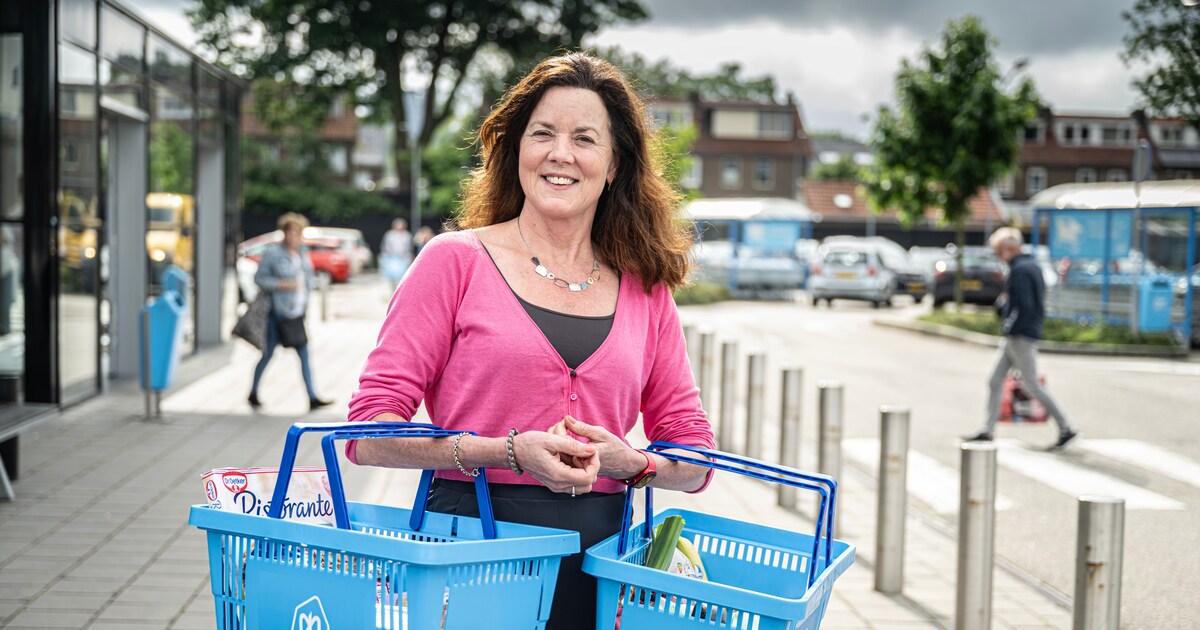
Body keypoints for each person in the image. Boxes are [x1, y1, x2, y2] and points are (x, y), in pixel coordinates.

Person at [346, 52, 714, 628]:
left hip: (604, 569)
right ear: (516, 149)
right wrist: (504, 452)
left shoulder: (647, 290)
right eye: (542, 133)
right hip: (472, 553)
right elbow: (367, 434)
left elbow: (695, 458)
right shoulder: (455, 262)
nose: (560, 153)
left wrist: (633, 463)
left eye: (585, 138)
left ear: (615, 163)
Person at [964, 227, 1078, 451]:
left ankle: (1067, 428)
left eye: (998, 251)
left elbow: (1024, 306)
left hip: (1020, 335)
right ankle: (987, 430)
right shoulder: (1029, 266)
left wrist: (1010, 325)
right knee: (995, 380)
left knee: (1031, 384)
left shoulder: (1021, 271)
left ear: (1009, 249)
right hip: (1017, 335)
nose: (997, 256)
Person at [248, 212, 333, 411]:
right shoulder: (273, 254)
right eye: (289, 232)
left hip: (296, 314)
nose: (292, 236)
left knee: (304, 355)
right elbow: (259, 279)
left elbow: (307, 281)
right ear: (284, 233)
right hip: (278, 314)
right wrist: (281, 284)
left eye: (296, 232)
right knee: (268, 354)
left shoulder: (302, 254)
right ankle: (253, 392)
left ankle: (312, 397)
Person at [379, 218, 413, 290]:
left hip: (402, 259)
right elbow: (385, 246)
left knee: (401, 277)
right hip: (391, 258)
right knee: (391, 277)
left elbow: (409, 248)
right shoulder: (389, 235)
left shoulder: (407, 235)